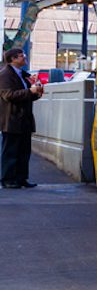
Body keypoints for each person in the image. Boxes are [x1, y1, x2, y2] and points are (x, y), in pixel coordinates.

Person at [0, 48, 43, 189]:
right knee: (11, 151)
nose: (24, 57)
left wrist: (36, 94)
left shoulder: (23, 75)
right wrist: (29, 91)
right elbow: (8, 95)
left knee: (24, 151)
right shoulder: (5, 74)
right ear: (13, 59)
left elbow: (25, 95)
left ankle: (21, 178)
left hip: (24, 118)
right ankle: (8, 179)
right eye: (21, 56)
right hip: (12, 118)